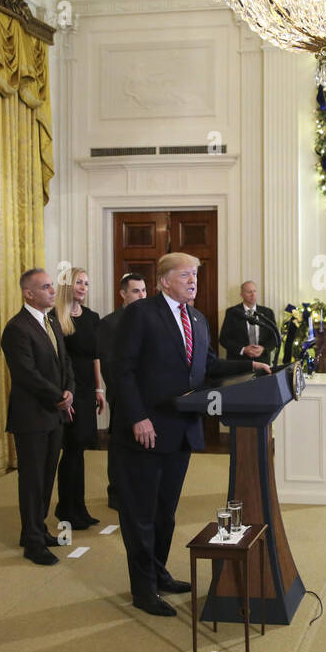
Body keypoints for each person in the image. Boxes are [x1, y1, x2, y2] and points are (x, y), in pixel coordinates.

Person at [112, 252, 270, 616]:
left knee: (166, 511)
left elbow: (208, 366)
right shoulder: (140, 314)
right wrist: (138, 417)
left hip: (181, 430)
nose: (193, 281)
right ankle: (143, 590)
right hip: (146, 431)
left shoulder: (196, 318)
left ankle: (158, 571)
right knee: (141, 513)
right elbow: (123, 371)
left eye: (195, 275)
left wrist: (250, 365)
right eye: (185, 275)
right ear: (163, 280)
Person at [1, 268, 75, 566]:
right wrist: (58, 396)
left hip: (55, 414)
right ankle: (32, 542)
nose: (53, 292)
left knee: (46, 476)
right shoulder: (16, 328)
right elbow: (25, 374)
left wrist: (68, 390)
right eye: (46, 288)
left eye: (52, 287)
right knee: (32, 479)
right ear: (28, 293)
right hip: (31, 416)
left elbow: (64, 361)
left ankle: (37, 529)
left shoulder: (52, 320)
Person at [52, 267, 102, 531]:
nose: (83, 287)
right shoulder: (55, 317)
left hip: (86, 389)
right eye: (79, 282)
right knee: (70, 449)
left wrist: (99, 389)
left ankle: (78, 507)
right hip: (66, 390)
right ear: (68, 286)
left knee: (80, 448)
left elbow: (95, 356)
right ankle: (67, 508)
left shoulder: (92, 317)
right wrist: (64, 395)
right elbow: (55, 361)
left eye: (86, 283)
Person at [96, 272, 148, 511]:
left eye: (144, 291)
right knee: (120, 447)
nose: (141, 295)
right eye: (136, 291)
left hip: (148, 395)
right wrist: (128, 394)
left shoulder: (151, 318)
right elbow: (109, 367)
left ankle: (139, 491)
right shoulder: (109, 323)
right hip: (122, 396)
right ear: (123, 294)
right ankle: (116, 494)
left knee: (144, 447)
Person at [219, 280, 280, 365]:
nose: (253, 294)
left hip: (262, 361)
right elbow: (224, 339)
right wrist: (243, 349)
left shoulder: (267, 313)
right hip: (239, 362)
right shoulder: (232, 312)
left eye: (254, 291)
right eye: (249, 292)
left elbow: (275, 337)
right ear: (242, 295)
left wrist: (263, 349)